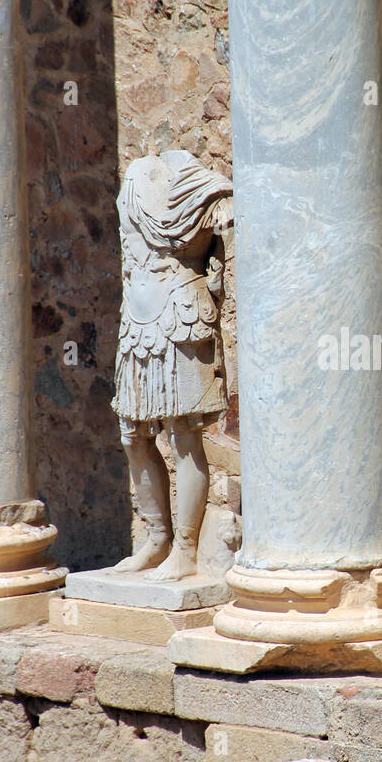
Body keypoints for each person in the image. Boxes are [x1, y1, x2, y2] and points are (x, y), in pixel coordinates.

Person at [110, 151, 232, 581]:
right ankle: (157, 539)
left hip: (181, 313)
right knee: (132, 434)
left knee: (184, 434)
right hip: (137, 318)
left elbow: (225, 217)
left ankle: (185, 550)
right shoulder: (135, 176)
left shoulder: (200, 184)